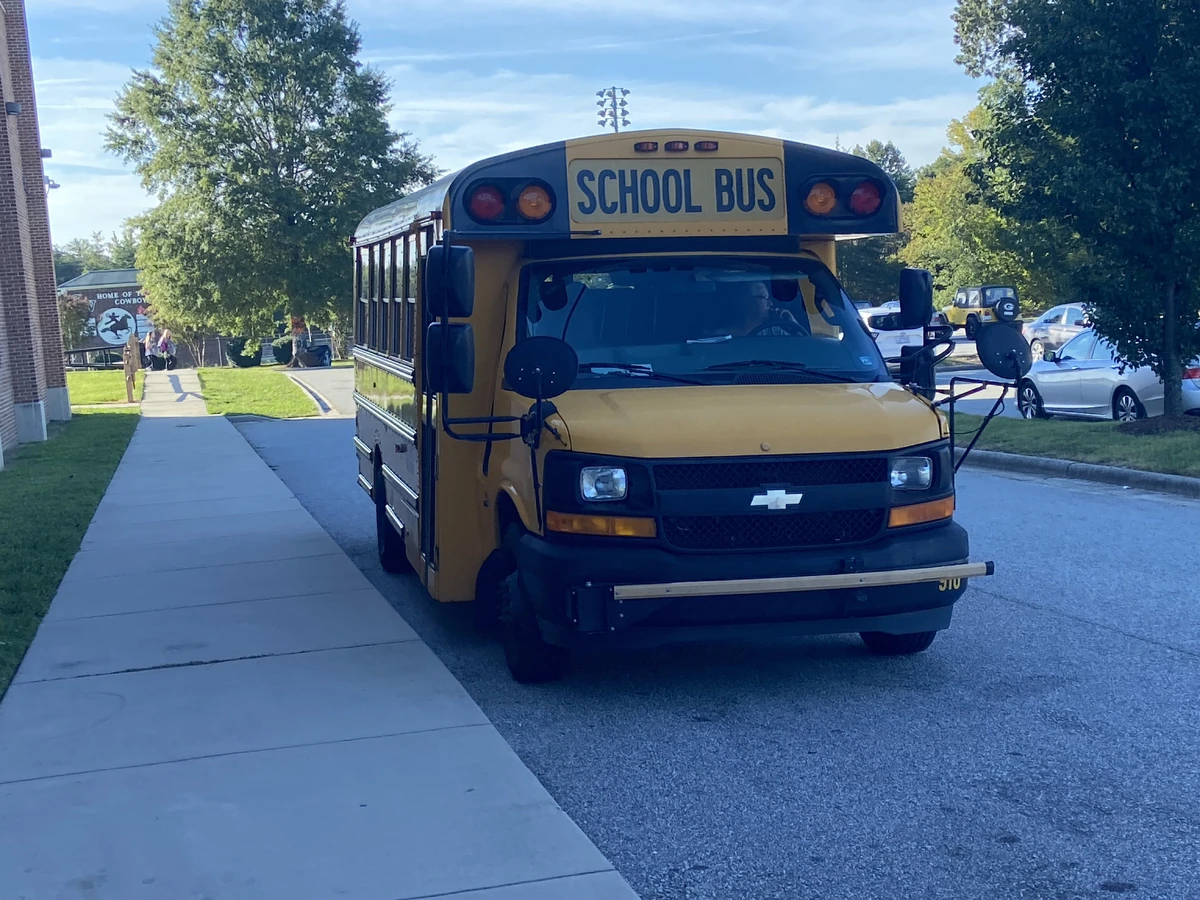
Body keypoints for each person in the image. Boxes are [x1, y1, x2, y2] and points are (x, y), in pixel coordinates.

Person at [726, 281, 801, 337]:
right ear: (749, 302)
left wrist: (792, 321)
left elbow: (801, 346)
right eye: (765, 298)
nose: (770, 304)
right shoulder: (727, 335)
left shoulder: (775, 332)